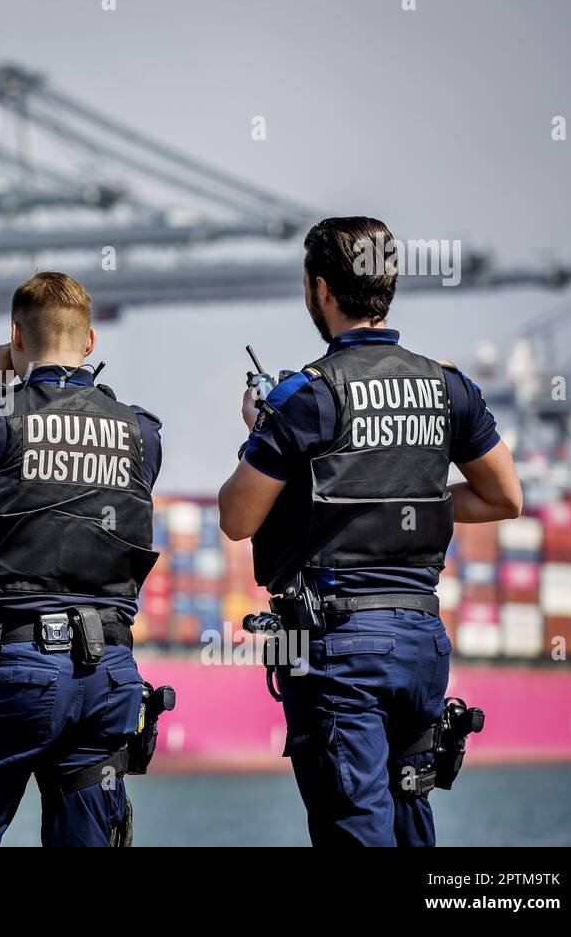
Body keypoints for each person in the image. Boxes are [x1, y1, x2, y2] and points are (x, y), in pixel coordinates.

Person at [218, 217, 522, 847]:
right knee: (412, 821)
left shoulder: (307, 396)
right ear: (388, 285)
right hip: (421, 645)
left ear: (320, 289)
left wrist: (259, 428)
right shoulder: (448, 386)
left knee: (355, 834)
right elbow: (504, 497)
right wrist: (410, 498)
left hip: (342, 650)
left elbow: (236, 517)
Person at [0, 271, 165, 846]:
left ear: (16, 336)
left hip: (11, 672)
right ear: (90, 342)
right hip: (109, 678)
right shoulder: (142, 433)